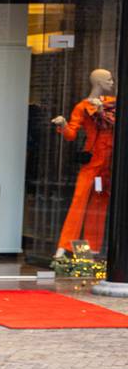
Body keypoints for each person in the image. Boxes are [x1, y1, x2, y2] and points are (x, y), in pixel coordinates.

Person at [51, 68, 116, 257]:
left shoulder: (112, 103)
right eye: (109, 80)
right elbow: (71, 134)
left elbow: (113, 123)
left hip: (108, 164)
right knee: (79, 201)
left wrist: (101, 110)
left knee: (99, 202)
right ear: (99, 82)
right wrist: (63, 125)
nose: (112, 83)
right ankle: (64, 247)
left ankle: (92, 248)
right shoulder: (82, 107)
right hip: (92, 161)